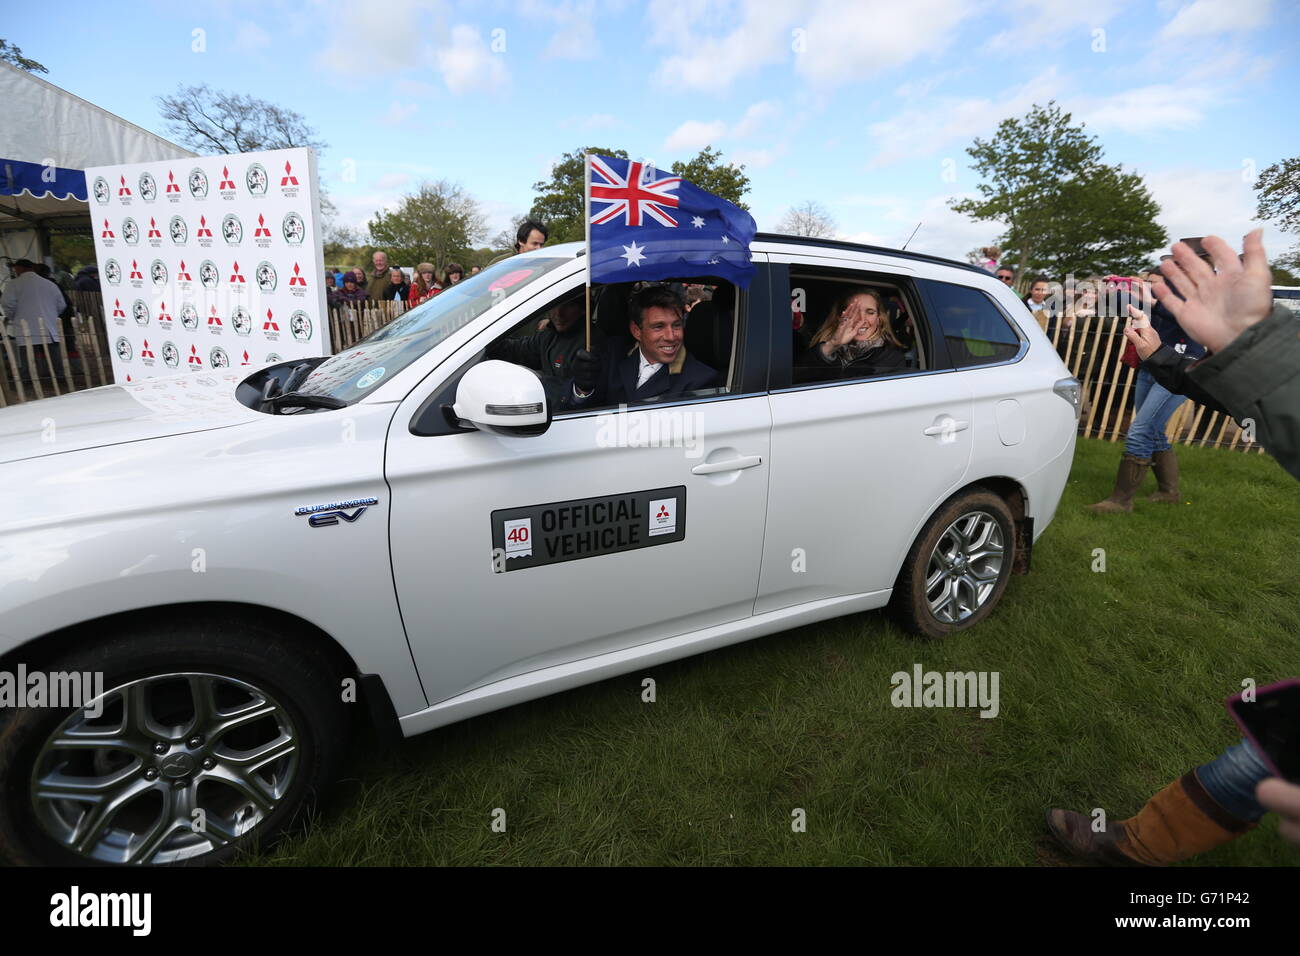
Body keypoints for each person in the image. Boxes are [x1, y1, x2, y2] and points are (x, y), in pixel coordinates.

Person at [1049, 230, 1300, 863]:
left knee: (1142, 430)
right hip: (1180, 357)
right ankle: (1132, 849)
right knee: (1264, 756)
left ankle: (1131, 496)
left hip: (1186, 358)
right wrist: (1247, 344)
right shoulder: (1157, 299)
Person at [1088, 263, 1207, 513]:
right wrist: (1110, 289)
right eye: (1149, 283)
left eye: (1158, 285)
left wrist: (1152, 301)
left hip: (1181, 371)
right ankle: (1169, 492)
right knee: (1153, 431)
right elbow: (1116, 305)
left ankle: (1120, 502)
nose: (1152, 289)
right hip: (1151, 368)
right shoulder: (1148, 301)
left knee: (1140, 430)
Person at [567, 284, 718, 407]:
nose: (671, 337)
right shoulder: (613, 356)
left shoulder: (701, 380)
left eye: (677, 325)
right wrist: (582, 390)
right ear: (636, 331)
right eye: (658, 327)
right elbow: (579, 411)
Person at [794, 289, 909, 383]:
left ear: (879, 320)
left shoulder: (892, 359)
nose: (861, 319)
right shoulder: (819, 348)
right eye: (853, 312)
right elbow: (794, 379)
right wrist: (832, 345)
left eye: (870, 312)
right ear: (840, 317)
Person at [486, 293, 600, 379]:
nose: (559, 314)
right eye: (555, 305)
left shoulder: (591, 344)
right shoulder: (549, 335)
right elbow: (519, 350)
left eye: (568, 305)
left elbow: (569, 392)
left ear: (583, 309)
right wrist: (487, 342)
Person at [1, 259, 67, 380]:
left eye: (15, 268)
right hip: (47, 324)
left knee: (26, 353)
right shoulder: (49, 284)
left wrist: (13, 316)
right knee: (53, 351)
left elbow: (7, 304)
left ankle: (27, 377)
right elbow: (61, 304)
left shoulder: (14, 284)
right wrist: (51, 315)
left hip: (24, 323)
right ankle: (60, 375)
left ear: (20, 268)